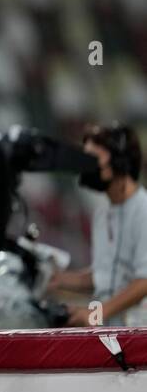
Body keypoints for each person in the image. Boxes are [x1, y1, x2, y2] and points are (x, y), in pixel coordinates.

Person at [48, 123, 147, 326]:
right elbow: (104, 274)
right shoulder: (102, 213)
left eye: (94, 157)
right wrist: (59, 279)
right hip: (110, 331)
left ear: (120, 159)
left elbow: (144, 280)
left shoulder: (143, 209)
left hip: (139, 334)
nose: (87, 166)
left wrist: (96, 314)